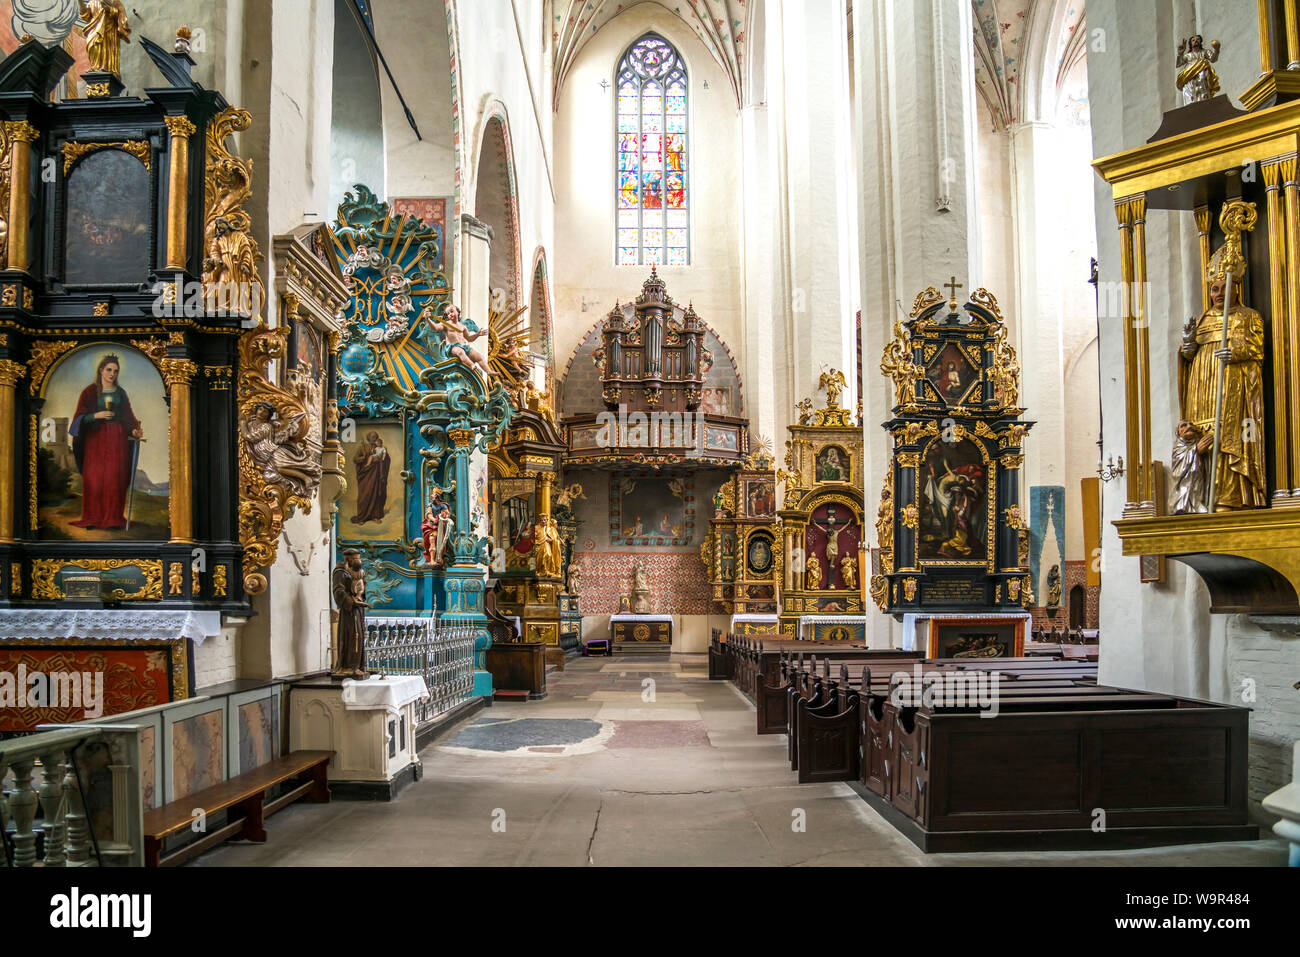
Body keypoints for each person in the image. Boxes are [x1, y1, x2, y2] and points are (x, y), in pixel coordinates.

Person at [1178, 268, 1267, 509]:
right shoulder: (1202, 320)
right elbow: (1188, 356)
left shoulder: (1249, 317)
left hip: (1232, 388)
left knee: (1229, 440)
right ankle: (1201, 500)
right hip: (1201, 390)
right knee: (1203, 439)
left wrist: (1236, 352)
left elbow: (1257, 348)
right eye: (1214, 289)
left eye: (1225, 287)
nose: (1219, 293)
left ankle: (1230, 499)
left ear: (1236, 289)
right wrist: (1188, 344)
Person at [69, 354, 144, 530]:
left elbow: (128, 417)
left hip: (117, 439)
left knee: (114, 478)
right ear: (101, 370)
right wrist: (96, 415)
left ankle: (113, 519)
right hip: (95, 440)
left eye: (116, 371)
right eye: (109, 370)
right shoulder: (89, 392)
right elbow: (79, 418)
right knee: (94, 478)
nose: (112, 374)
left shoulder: (120, 393)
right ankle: (92, 518)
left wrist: (134, 430)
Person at [422, 302, 493, 379]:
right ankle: (471, 365)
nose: (450, 314)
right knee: (460, 352)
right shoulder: (446, 324)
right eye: (448, 314)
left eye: (452, 311)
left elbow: (469, 338)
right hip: (452, 347)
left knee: (479, 356)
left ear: (457, 312)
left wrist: (477, 334)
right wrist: (428, 319)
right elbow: (435, 327)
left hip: (464, 347)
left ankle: (489, 371)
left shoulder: (463, 326)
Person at [331, 550, 369, 678]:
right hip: (348, 611)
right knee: (352, 637)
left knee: (358, 636)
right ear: (349, 559)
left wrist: (361, 593)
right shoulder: (340, 572)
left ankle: (357, 666)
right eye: (356, 558)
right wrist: (351, 601)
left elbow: (361, 588)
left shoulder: (354, 571)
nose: (358, 560)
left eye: (359, 558)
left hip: (357, 609)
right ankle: (348, 666)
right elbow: (338, 591)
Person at [351, 431, 390, 524]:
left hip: (377, 475)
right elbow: (355, 459)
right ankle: (362, 517)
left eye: (376, 437)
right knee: (365, 495)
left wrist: (382, 460)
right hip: (366, 476)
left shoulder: (380, 448)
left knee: (377, 495)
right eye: (373, 437)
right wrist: (364, 458)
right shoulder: (363, 448)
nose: (374, 439)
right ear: (368, 438)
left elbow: (386, 459)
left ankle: (375, 516)